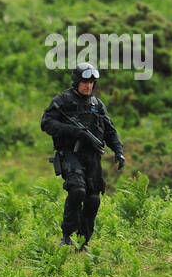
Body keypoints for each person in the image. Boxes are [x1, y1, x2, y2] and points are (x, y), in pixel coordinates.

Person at [40, 63, 125, 248]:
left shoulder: (96, 104)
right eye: (85, 82)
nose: (88, 86)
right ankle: (67, 235)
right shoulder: (63, 101)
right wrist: (73, 131)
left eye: (92, 82)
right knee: (78, 190)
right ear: (77, 82)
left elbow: (110, 130)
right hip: (70, 154)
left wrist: (118, 150)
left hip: (92, 156)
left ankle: (83, 240)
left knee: (93, 199)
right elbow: (46, 123)